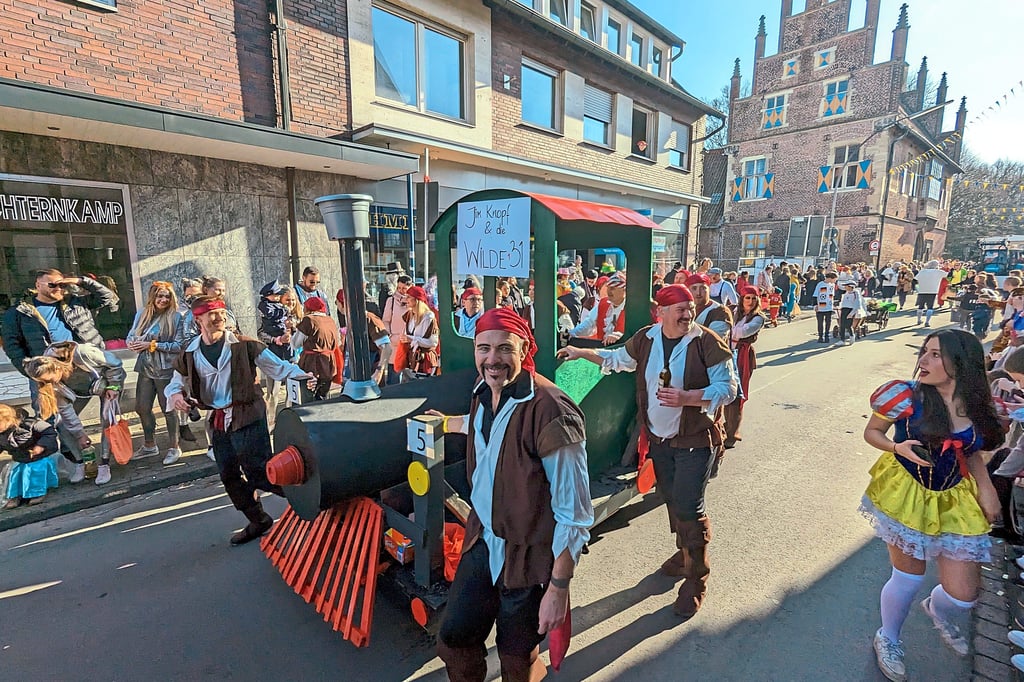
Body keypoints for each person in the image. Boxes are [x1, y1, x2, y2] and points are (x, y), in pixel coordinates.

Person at [431, 308, 593, 681]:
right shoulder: (483, 391)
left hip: (528, 555)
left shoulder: (551, 410)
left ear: (524, 349)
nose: (493, 359)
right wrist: (442, 423)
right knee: (453, 641)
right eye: (483, 348)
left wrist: (558, 588)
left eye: (505, 348)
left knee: (516, 659)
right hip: (483, 540)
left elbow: (575, 515)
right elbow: (482, 431)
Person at [557, 284, 737, 618]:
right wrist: (581, 353)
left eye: (689, 308)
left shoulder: (707, 342)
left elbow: (729, 388)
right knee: (671, 499)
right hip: (660, 439)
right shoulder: (647, 338)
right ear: (662, 314)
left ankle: (697, 578)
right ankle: (684, 554)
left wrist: (688, 397)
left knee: (688, 506)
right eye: (679, 309)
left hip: (697, 440)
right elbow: (618, 359)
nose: (687, 314)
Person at [860, 330, 1003, 682]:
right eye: (925, 352)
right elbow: (872, 432)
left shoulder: (977, 407)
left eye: (936, 354)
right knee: (908, 577)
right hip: (907, 492)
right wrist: (897, 448)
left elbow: (970, 451)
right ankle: (888, 638)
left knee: (964, 596)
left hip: (954, 497)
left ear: (962, 362)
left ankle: (935, 609)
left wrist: (987, 490)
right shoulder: (904, 395)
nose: (924, 360)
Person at [165, 296, 311, 545]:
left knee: (262, 473)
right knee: (228, 474)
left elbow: (280, 368)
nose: (219, 317)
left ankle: (312, 502)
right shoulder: (189, 352)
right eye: (212, 314)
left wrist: (305, 376)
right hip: (219, 420)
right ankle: (258, 520)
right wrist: (176, 395)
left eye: (222, 312)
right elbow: (174, 384)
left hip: (248, 414)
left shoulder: (245, 345)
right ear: (197, 319)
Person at [1, 268, 117, 412]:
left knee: (102, 411)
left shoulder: (75, 303)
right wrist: (30, 370)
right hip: (46, 370)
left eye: (62, 285)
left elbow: (107, 297)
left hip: (80, 365)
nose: (59, 289)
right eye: (52, 285)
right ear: (38, 285)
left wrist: (80, 281)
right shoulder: (19, 312)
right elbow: (12, 346)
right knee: (48, 415)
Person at [22, 341, 126, 485]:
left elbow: (115, 363)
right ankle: (80, 462)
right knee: (61, 424)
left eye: (50, 379)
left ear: (56, 368)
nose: (49, 383)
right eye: (44, 382)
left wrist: (114, 385)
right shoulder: (47, 383)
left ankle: (105, 463)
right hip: (80, 391)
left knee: (106, 419)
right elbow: (66, 411)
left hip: (108, 382)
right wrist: (80, 435)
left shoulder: (83, 353)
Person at [126, 281, 185, 465]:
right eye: (160, 296)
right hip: (145, 367)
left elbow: (180, 345)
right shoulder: (142, 314)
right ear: (153, 297)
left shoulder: (176, 317)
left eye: (167, 296)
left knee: (168, 409)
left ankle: (174, 447)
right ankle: (149, 444)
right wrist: (132, 343)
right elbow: (131, 334)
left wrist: (153, 345)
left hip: (165, 370)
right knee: (142, 407)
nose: (163, 299)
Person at [725, 286, 765, 449]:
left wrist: (728, 330)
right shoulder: (735, 312)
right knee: (724, 388)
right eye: (747, 298)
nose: (750, 301)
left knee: (737, 393)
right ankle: (724, 426)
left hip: (742, 355)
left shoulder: (758, 318)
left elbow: (742, 333)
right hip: (727, 351)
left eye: (753, 298)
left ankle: (732, 432)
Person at [1, 404, 59, 508]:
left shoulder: (30, 423)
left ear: (9, 420)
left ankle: (37, 493)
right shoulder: (2, 433)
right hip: (19, 458)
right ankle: (15, 495)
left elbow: (49, 432)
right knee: (15, 475)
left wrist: (41, 445)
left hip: (36, 457)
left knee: (34, 472)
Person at [292, 297, 340, 400]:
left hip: (312, 363)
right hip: (329, 363)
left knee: (308, 397)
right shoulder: (330, 320)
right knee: (322, 395)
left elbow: (296, 344)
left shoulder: (309, 320)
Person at [569, 273, 626, 346]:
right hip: (601, 351)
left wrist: (620, 336)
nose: (609, 292)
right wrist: (573, 333)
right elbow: (588, 323)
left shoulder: (631, 308)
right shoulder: (602, 304)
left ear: (624, 290)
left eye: (612, 288)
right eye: (608, 288)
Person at [400, 286, 440, 378]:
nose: (406, 299)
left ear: (417, 299)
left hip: (424, 360)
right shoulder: (409, 315)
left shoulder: (428, 316)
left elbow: (433, 342)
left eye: (409, 297)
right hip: (412, 359)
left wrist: (412, 339)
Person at [685, 273, 733, 341]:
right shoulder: (685, 309)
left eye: (703, 288)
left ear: (709, 289)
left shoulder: (720, 311)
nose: (698, 293)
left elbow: (714, 340)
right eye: (694, 288)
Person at [914, 260, 947, 327]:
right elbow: (948, 274)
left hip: (922, 290)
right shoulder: (938, 272)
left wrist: (918, 288)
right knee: (930, 307)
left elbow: (915, 280)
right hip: (933, 291)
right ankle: (927, 321)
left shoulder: (922, 271)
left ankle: (918, 320)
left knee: (920, 306)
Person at [814, 272, 838, 344]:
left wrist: (833, 304)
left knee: (828, 321)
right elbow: (815, 295)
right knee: (820, 322)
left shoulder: (832, 285)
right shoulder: (820, 284)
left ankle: (827, 335)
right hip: (821, 306)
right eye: (835, 279)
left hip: (829, 306)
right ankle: (820, 336)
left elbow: (832, 296)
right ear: (830, 278)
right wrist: (815, 305)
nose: (835, 281)